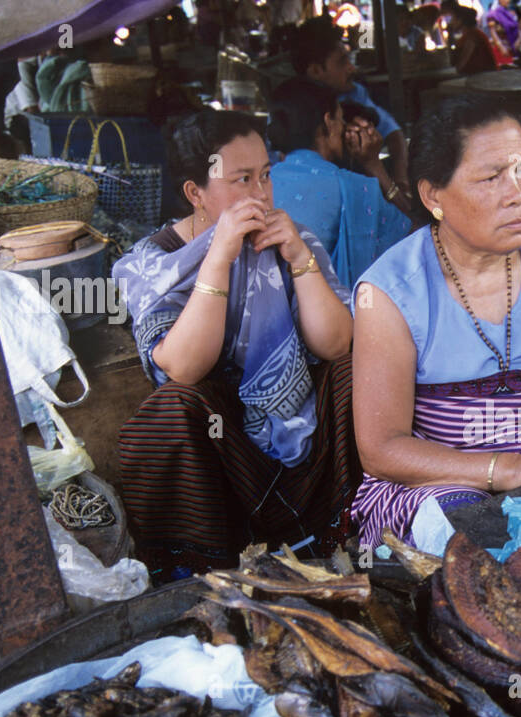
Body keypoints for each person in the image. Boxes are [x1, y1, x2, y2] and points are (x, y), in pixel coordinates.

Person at [349, 96, 521, 544]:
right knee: (473, 547)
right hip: (445, 487)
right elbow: (382, 449)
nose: (518, 193)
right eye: (492, 177)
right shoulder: (388, 293)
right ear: (433, 195)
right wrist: (511, 469)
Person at [113, 111, 359, 575]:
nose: (261, 194)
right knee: (170, 411)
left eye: (265, 175)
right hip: (219, 438)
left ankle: (344, 534)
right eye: (242, 179)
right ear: (195, 193)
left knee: (351, 374)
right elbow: (182, 367)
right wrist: (219, 254)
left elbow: (336, 345)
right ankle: (203, 569)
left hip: (298, 422)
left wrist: (301, 258)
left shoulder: (290, 237)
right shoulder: (154, 261)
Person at [269, 78, 416, 290]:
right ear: (328, 121)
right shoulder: (354, 188)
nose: (343, 128)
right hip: (332, 318)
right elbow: (421, 235)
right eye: (340, 119)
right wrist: (375, 167)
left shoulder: (262, 182)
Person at [291, 16, 411, 194]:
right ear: (315, 71)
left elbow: (393, 131)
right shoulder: (290, 109)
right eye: (341, 62)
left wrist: (401, 179)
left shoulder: (355, 93)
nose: (351, 68)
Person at [450, 4, 500, 73]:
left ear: (460, 20)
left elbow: (461, 64)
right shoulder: (470, 34)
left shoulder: (472, 36)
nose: (451, 22)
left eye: (453, 19)